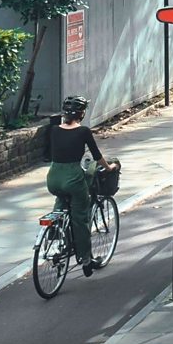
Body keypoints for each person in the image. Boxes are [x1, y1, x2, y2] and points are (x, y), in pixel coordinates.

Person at [47, 96, 117, 277]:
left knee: (62, 200)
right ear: (82, 113)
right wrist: (109, 168)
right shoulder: (83, 131)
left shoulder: (54, 130)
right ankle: (86, 260)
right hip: (73, 179)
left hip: (53, 178)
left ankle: (56, 228)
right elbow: (96, 155)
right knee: (80, 219)